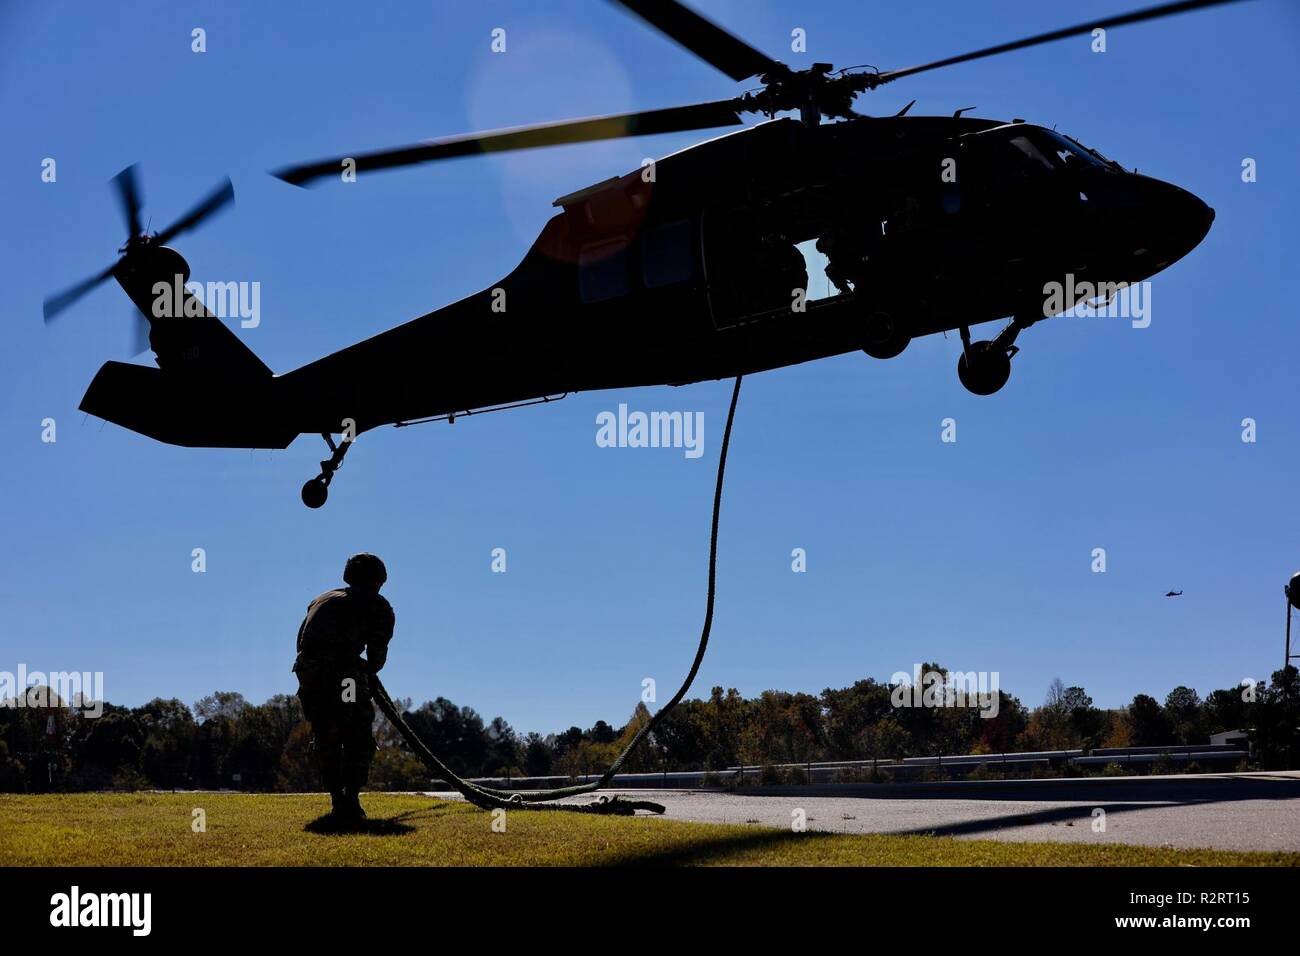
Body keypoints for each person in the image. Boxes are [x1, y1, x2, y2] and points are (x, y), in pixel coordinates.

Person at [292, 552, 395, 823]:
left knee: (326, 731)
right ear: (378, 581)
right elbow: (376, 658)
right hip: (344, 678)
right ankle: (350, 798)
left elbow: (301, 642)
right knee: (356, 732)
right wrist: (360, 669)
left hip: (309, 675)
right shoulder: (377, 605)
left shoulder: (321, 599)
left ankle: (337, 797)